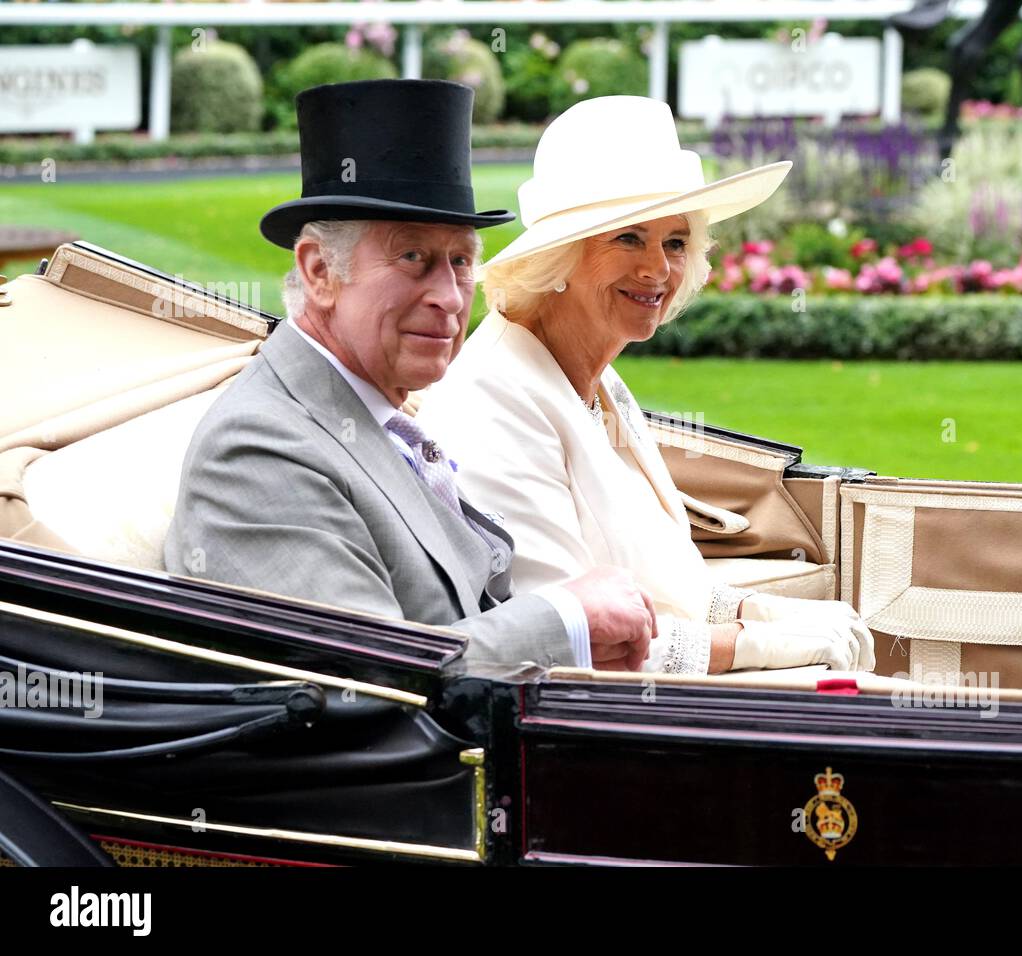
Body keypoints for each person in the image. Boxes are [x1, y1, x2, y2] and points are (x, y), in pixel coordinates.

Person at [165, 80, 656, 672]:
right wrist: (567, 618)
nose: (450, 299)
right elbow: (374, 678)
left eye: (461, 261)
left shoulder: (374, 414)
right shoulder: (258, 450)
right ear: (320, 272)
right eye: (412, 259)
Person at [425, 96, 875, 675]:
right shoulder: (494, 400)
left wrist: (768, 612)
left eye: (676, 242)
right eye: (629, 239)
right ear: (560, 258)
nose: (657, 270)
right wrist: (765, 644)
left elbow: (670, 584)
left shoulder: (600, 381)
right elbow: (573, 646)